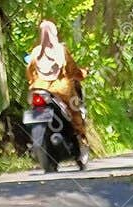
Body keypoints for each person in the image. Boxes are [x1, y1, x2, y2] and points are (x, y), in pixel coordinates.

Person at [26, 21, 88, 149]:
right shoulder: (61, 50)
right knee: (75, 110)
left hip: (39, 89)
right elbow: (71, 69)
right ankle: (81, 136)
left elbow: (30, 71)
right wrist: (82, 74)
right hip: (61, 90)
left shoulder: (36, 51)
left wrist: (32, 81)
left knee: (32, 109)